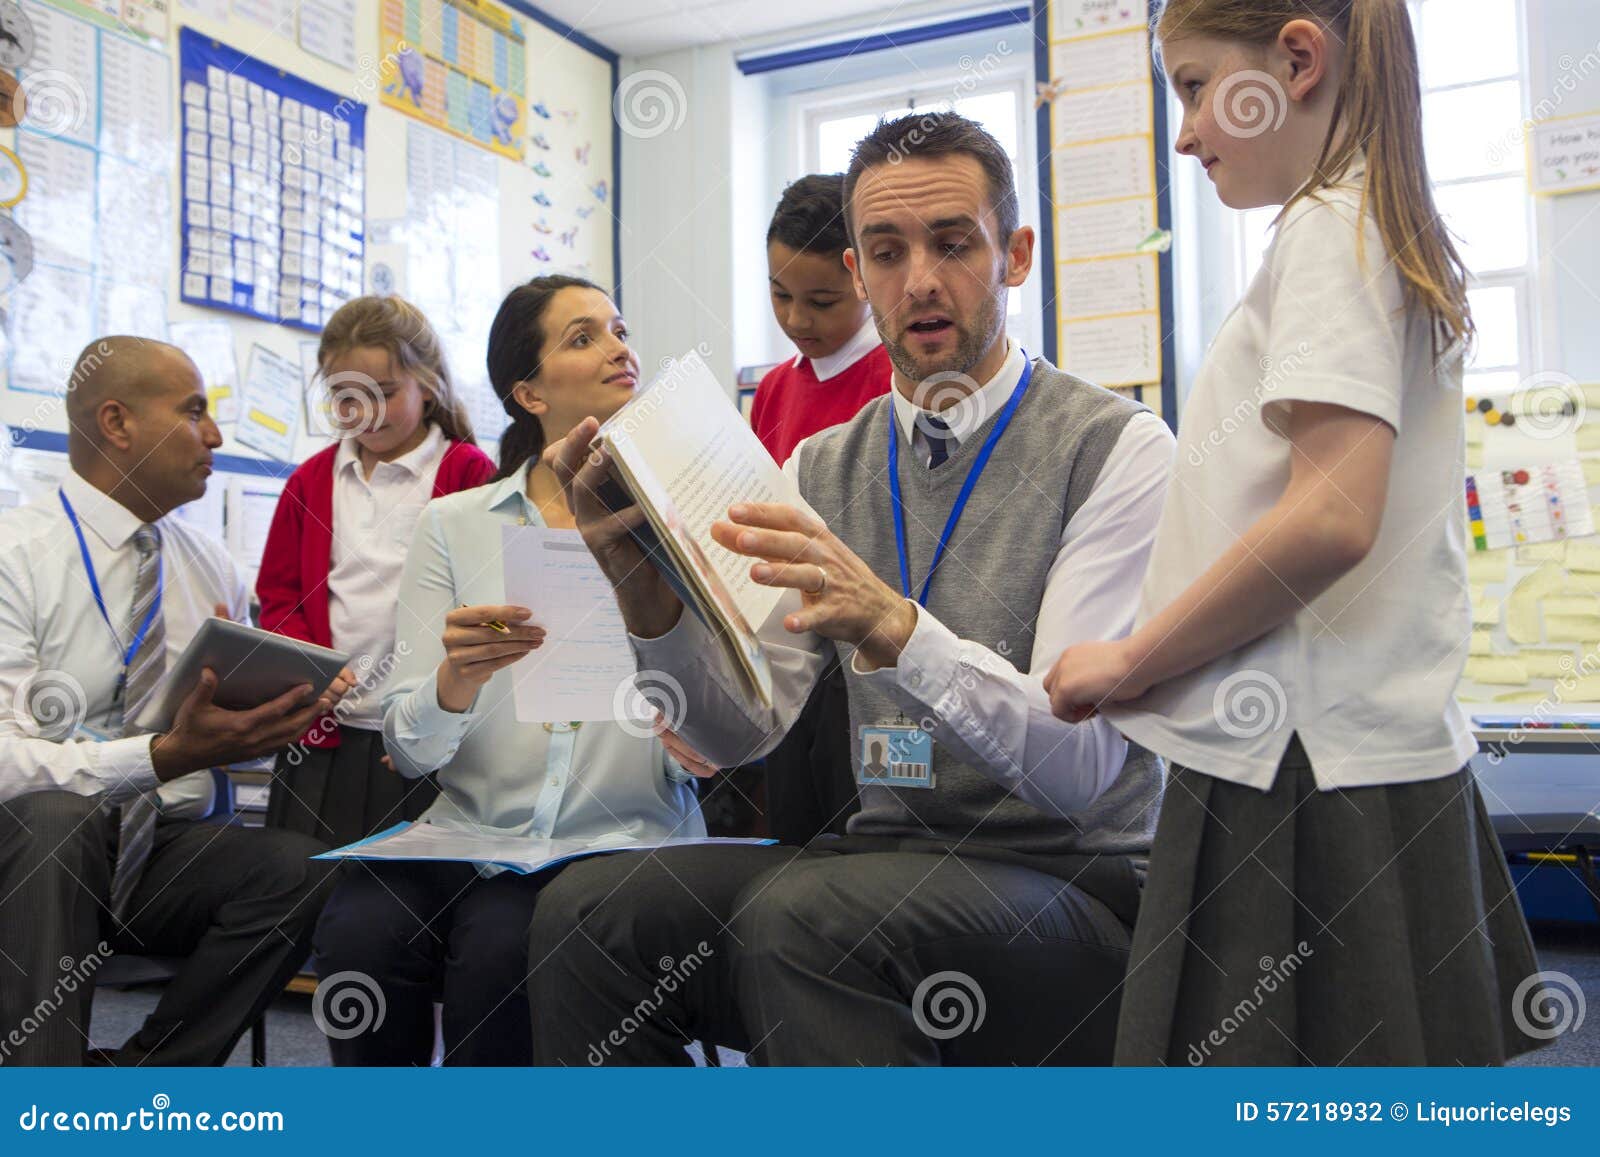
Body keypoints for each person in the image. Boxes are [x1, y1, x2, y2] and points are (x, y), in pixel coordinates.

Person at [528, 113, 1176, 1065]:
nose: (920, 279)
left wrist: (896, 627)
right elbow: (738, 735)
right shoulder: (818, 466)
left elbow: (1078, 772)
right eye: (887, 251)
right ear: (860, 272)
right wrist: (639, 587)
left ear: (1015, 255)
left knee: (811, 916)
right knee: (587, 913)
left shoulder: (1116, 449)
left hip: (1076, 886)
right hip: (880, 868)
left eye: (953, 243)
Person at [1044, 0, 1543, 1066]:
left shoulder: (1327, 230)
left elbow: (1328, 516)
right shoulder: (1372, 223)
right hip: (1358, 746)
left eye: (1192, 88)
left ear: (1298, 60)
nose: (1185, 134)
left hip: (1293, 764)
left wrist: (1133, 656)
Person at [311, 276, 712, 1066]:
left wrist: (700, 733)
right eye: (583, 336)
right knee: (356, 930)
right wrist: (454, 681)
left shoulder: (686, 519)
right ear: (528, 393)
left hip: (617, 837)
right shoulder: (453, 525)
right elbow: (410, 750)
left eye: (619, 329)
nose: (619, 349)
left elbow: (727, 723)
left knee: (501, 946)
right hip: (470, 830)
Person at [0, 337, 351, 1066]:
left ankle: (144, 1080)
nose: (215, 435)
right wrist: (162, 756)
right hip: (33, 848)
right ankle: (43, 1095)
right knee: (57, 819)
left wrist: (280, 713)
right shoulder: (15, 554)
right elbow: (6, 766)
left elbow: (224, 733)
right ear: (117, 422)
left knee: (303, 868)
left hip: (160, 845)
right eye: (194, 412)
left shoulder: (207, 563)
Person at [256, 296, 494, 847]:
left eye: (383, 393)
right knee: (306, 878)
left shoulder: (468, 472)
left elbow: (486, 596)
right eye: (345, 397)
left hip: (424, 736)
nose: (364, 411)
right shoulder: (309, 483)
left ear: (428, 385)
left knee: (409, 889)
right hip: (324, 738)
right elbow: (280, 597)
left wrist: (432, 713)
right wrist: (310, 665)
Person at [749, 174, 893, 845]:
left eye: (822, 301)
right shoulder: (775, 388)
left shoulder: (897, 379)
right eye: (780, 295)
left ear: (861, 277)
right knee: (791, 847)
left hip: (865, 665)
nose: (797, 320)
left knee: (858, 847)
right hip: (788, 655)